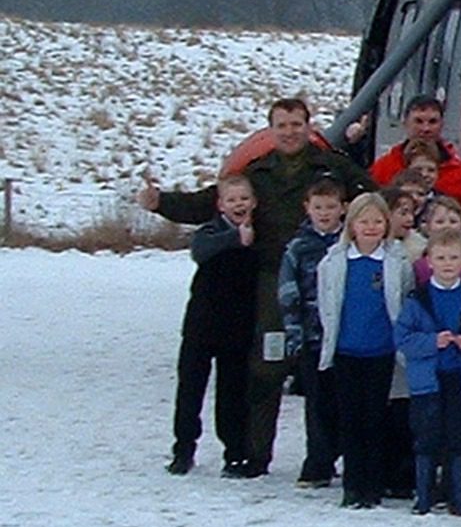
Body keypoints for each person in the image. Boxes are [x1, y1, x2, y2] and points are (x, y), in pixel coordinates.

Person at [140, 97, 373, 478]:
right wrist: (161, 202)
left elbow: (372, 200)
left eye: (296, 124)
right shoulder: (258, 172)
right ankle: (254, 454)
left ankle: (323, 459)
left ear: (309, 127)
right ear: (271, 130)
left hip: (325, 281)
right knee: (266, 370)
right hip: (272, 284)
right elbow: (209, 202)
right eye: (282, 125)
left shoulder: (333, 168)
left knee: (324, 373)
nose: (289, 132)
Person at [314, 193, 409, 509]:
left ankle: (373, 485)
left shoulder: (396, 262)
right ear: (351, 224)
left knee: (375, 419)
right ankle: (353, 485)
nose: (370, 227)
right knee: (350, 419)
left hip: (382, 352)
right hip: (346, 351)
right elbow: (326, 305)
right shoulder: (334, 262)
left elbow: (403, 301)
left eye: (377, 221)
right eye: (364, 221)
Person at [167, 173, 258, 476]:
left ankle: (235, 452)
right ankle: (183, 449)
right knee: (190, 389)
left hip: (238, 327)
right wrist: (235, 239)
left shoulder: (260, 235)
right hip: (202, 325)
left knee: (233, 393)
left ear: (253, 202)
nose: (238, 204)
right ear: (220, 205)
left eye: (244, 198)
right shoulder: (210, 232)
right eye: (231, 200)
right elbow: (200, 251)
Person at [395, 235, 461, 515]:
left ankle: (457, 497)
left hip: (460, 378)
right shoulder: (417, 300)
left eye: (453, 258)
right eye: (440, 258)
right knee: (426, 438)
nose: (447, 264)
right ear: (428, 262)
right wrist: (431, 341)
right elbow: (402, 338)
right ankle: (423, 496)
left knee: (458, 439)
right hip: (427, 381)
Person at [277, 177, 349, 486]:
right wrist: (294, 333)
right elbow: (287, 292)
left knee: (344, 400)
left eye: (330, 207)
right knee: (317, 403)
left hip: (346, 337)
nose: (324, 213)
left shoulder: (349, 245)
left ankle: (347, 456)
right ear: (307, 208)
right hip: (313, 336)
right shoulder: (298, 247)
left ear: (342, 209)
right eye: (318, 207)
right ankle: (318, 461)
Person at [361, 94, 461, 203]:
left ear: (442, 125)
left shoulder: (459, 173)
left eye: (432, 122)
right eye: (418, 121)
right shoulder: (384, 168)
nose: (426, 129)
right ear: (405, 123)